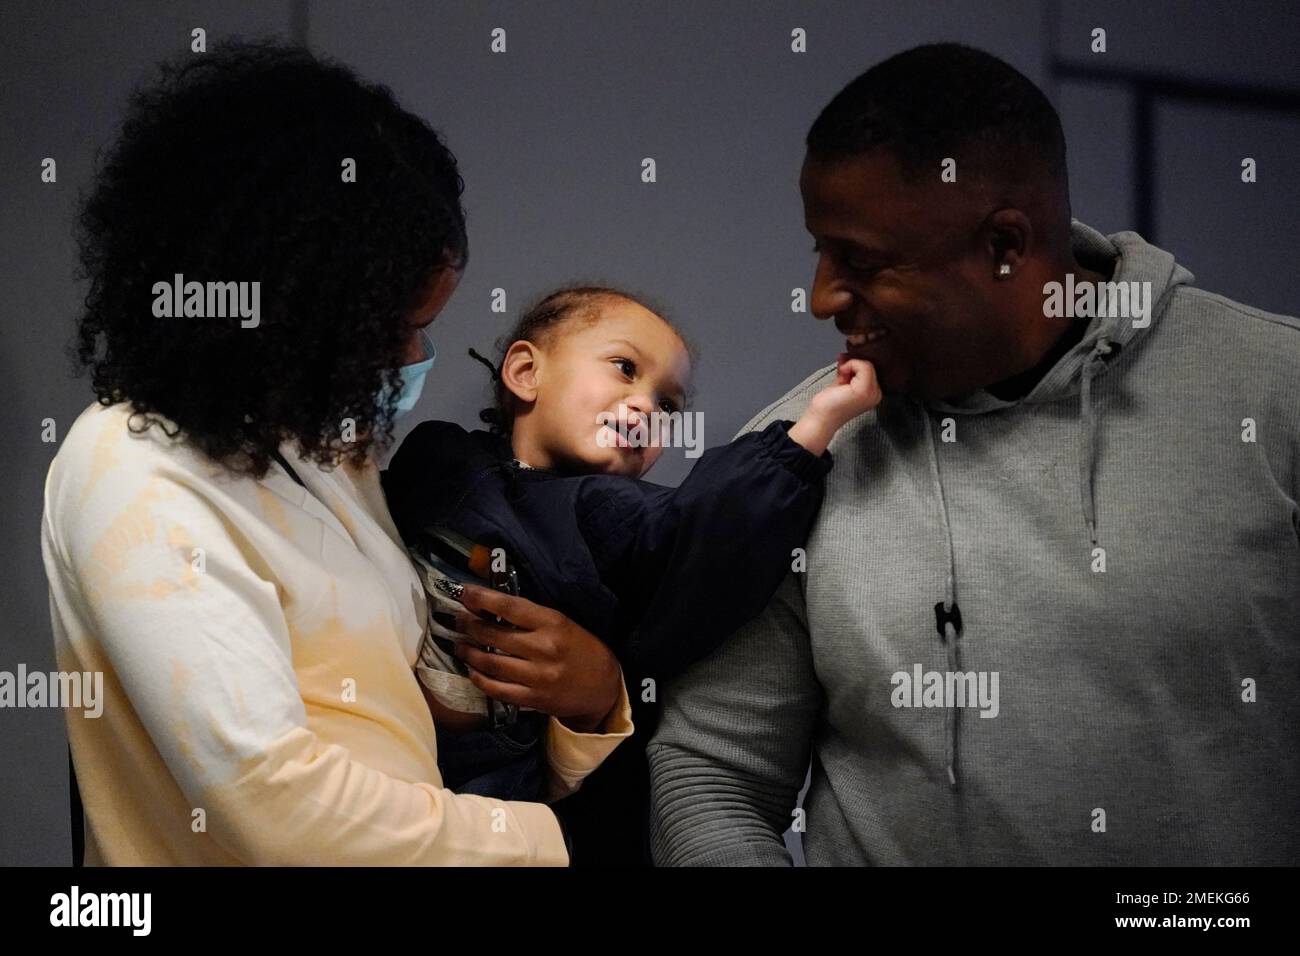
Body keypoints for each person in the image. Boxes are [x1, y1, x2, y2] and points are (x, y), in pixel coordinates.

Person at [648, 43, 1300, 866]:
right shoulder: (790, 465)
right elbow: (714, 772)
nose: (820, 298)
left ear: (1004, 246)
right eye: (819, 250)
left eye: (861, 260)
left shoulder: (1277, 395)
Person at [42, 40, 633, 866]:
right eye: (394, 326)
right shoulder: (131, 466)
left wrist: (585, 696)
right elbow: (281, 808)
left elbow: (396, 718)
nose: (416, 352)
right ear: (292, 305)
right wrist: (555, 842)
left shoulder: (327, 449)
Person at [381, 285, 879, 865]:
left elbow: (708, 533)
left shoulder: (612, 513)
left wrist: (811, 431)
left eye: (668, 404)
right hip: (384, 758)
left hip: (507, 797)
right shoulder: (435, 460)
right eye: (624, 369)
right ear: (524, 371)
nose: (647, 406)